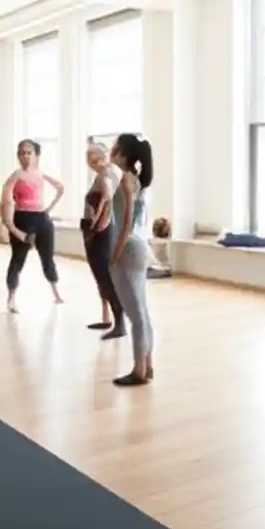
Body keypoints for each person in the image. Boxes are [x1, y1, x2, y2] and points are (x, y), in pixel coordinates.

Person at [108, 133, 156, 387]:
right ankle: (147, 364)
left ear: (123, 155)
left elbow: (126, 222)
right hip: (137, 247)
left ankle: (139, 369)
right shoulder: (135, 180)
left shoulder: (126, 180)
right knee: (142, 310)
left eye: (114, 148)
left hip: (128, 247)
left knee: (136, 314)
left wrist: (114, 255)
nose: (110, 151)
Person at [1, 139, 64, 313]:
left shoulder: (40, 173)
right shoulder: (15, 176)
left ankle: (56, 292)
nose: (25, 156)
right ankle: (11, 298)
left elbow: (60, 187)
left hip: (42, 218)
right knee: (17, 259)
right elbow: (5, 203)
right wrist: (12, 228)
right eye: (22, 153)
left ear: (36, 155)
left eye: (29, 152)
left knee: (47, 258)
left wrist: (49, 208)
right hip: (23, 219)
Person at [81, 143, 124, 339]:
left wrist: (99, 222)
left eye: (90, 155)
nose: (88, 159)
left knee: (104, 276)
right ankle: (107, 318)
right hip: (97, 230)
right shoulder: (106, 173)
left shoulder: (106, 174)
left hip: (100, 232)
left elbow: (107, 198)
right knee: (100, 276)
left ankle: (119, 323)